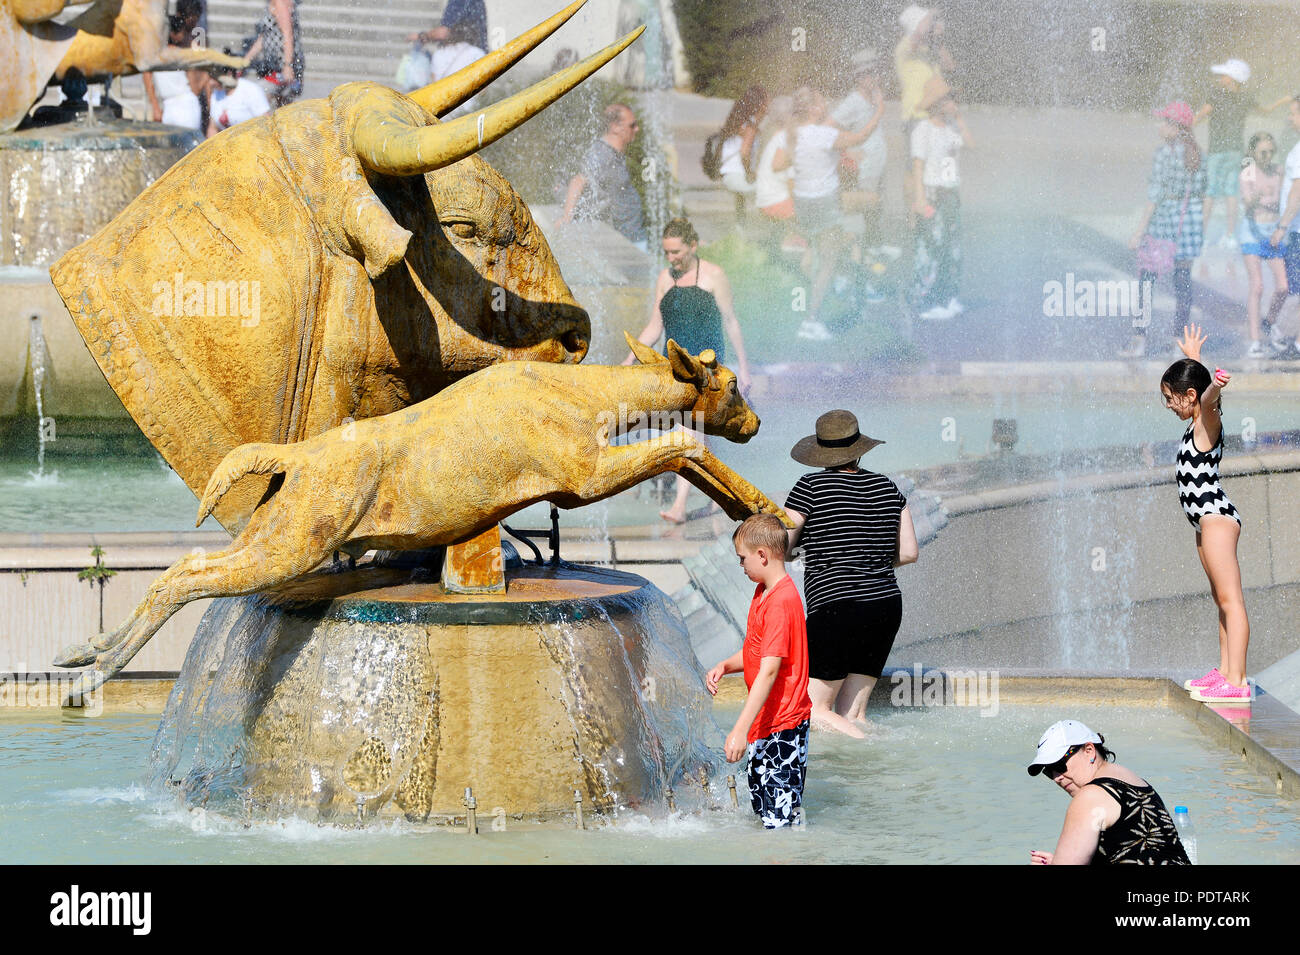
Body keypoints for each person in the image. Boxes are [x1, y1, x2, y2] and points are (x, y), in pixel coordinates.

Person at [783, 410, 918, 738]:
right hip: (885, 605)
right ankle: (876, 751)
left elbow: (783, 546)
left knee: (813, 710)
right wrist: (867, 562)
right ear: (858, 448)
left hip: (835, 606)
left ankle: (872, 747)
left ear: (821, 452)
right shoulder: (888, 487)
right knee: (853, 714)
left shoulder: (810, 486)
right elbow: (910, 552)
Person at [622, 218, 752, 524]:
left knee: (688, 429)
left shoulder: (714, 276)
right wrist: (630, 359)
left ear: (693, 246)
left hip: (708, 366)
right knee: (699, 434)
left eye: (677, 252)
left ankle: (680, 504)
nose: (671, 258)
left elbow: (731, 321)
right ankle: (721, 499)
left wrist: (744, 369)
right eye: (667, 253)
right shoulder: (664, 278)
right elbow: (655, 324)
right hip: (677, 367)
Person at [1162, 325, 1252, 703]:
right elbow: (1200, 391)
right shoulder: (1195, 417)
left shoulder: (1206, 421)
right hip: (1203, 523)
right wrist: (1193, 357)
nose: (1168, 405)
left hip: (1216, 517)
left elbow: (1209, 400)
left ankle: (1238, 680)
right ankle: (1225, 672)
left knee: (1232, 600)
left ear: (1190, 397)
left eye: (1171, 398)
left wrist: (1215, 385)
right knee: (1220, 599)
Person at [705, 514, 811, 829]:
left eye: (743, 559)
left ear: (762, 555)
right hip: (765, 724)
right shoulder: (762, 592)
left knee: (780, 825)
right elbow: (756, 651)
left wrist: (738, 728)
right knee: (763, 815)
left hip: (784, 727)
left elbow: (768, 671)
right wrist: (726, 665)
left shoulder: (781, 601)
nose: (741, 567)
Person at [772, 87, 877, 341]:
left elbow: (777, 165)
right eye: (822, 101)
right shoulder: (824, 135)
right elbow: (861, 136)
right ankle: (811, 320)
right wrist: (879, 111)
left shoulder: (795, 136)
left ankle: (820, 283)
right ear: (813, 109)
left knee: (819, 251)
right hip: (824, 203)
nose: (827, 104)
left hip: (804, 203)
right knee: (828, 260)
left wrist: (804, 161)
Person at [1028, 720, 1190, 865]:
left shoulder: (1090, 797)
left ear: (1089, 750)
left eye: (1059, 765)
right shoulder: (1134, 780)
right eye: (1049, 772)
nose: (1057, 777)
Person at [1122, 102, 1206, 359]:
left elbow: (1154, 195)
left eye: (1164, 121)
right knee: (1182, 284)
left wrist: (1139, 231)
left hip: (1163, 223)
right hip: (1189, 225)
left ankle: (1139, 340)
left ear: (1175, 127)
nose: (1159, 125)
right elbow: (1203, 190)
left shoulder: (1163, 153)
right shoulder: (1197, 153)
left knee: (1146, 281)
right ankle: (1178, 342)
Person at [908, 93, 971, 319]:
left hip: (950, 194)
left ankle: (949, 296)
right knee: (929, 248)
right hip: (932, 193)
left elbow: (971, 144)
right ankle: (925, 299)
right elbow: (918, 166)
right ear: (937, 105)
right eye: (949, 101)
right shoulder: (922, 130)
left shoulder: (951, 128)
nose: (954, 104)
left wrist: (960, 119)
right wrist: (920, 198)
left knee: (952, 248)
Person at [556, 103, 648, 249]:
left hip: (631, 235)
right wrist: (567, 217)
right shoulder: (602, 153)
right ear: (615, 127)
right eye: (632, 125)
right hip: (624, 239)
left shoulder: (614, 153)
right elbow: (579, 180)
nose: (637, 129)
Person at [832, 48, 889, 266]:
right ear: (860, 77)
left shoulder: (873, 98)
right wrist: (846, 151)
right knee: (864, 210)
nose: (877, 78)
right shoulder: (853, 102)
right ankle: (862, 256)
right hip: (864, 170)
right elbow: (830, 131)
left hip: (876, 166)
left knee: (875, 208)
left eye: (877, 72)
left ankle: (874, 247)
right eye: (872, 73)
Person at [1194, 59, 1258, 248]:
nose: (1221, 78)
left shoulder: (1216, 95)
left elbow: (1202, 115)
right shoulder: (1245, 98)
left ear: (1232, 79)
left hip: (1217, 151)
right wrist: (1282, 102)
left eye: (1224, 75)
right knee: (1232, 193)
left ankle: (1202, 236)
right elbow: (1265, 110)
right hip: (1236, 151)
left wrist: (1185, 125)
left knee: (1210, 192)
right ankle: (1230, 236)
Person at [1237, 132, 1289, 357]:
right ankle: (1255, 339)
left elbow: (1289, 197)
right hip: (1252, 232)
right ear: (1253, 153)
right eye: (1262, 152)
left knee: (1282, 287)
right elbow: (1248, 207)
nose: (1267, 156)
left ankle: (1269, 322)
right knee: (1257, 286)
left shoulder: (1279, 172)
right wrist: (1255, 198)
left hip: (1273, 233)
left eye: (1270, 151)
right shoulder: (1247, 174)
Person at [1266, 94, 1300, 361]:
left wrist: (1282, 226)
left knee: (1295, 288)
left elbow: (1296, 194)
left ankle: (1280, 335)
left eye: (1294, 113)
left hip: (1297, 231)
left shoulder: (1299, 151)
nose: (1290, 118)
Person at [716, 85, 769, 224]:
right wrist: (749, 173)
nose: (768, 107)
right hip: (738, 177)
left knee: (743, 205)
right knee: (772, 192)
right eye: (766, 103)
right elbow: (744, 153)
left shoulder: (738, 123)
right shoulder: (750, 127)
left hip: (728, 175)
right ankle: (775, 231)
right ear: (760, 105)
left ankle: (740, 234)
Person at [142, 13, 203, 130]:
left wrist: (155, 107)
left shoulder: (155, 55)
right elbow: (195, 89)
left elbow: (146, 76)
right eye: (182, 32)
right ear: (173, 34)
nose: (185, 35)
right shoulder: (182, 55)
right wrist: (204, 78)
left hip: (174, 106)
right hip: (184, 106)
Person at [241, 0, 303, 106]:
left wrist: (287, 66)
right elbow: (265, 36)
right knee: (276, 108)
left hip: (283, 66)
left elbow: (287, 34)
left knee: (261, 100)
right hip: (273, 65)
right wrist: (245, 60)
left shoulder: (280, 2)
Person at [201, 65, 271, 137]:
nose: (210, 83)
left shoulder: (250, 89)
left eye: (214, 78)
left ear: (229, 74)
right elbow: (212, 128)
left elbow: (266, 123)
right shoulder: (217, 93)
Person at [409, 0, 488, 57]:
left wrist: (422, 36)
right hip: (477, 58)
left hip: (462, 61)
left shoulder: (458, 2)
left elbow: (443, 33)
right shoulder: (477, 2)